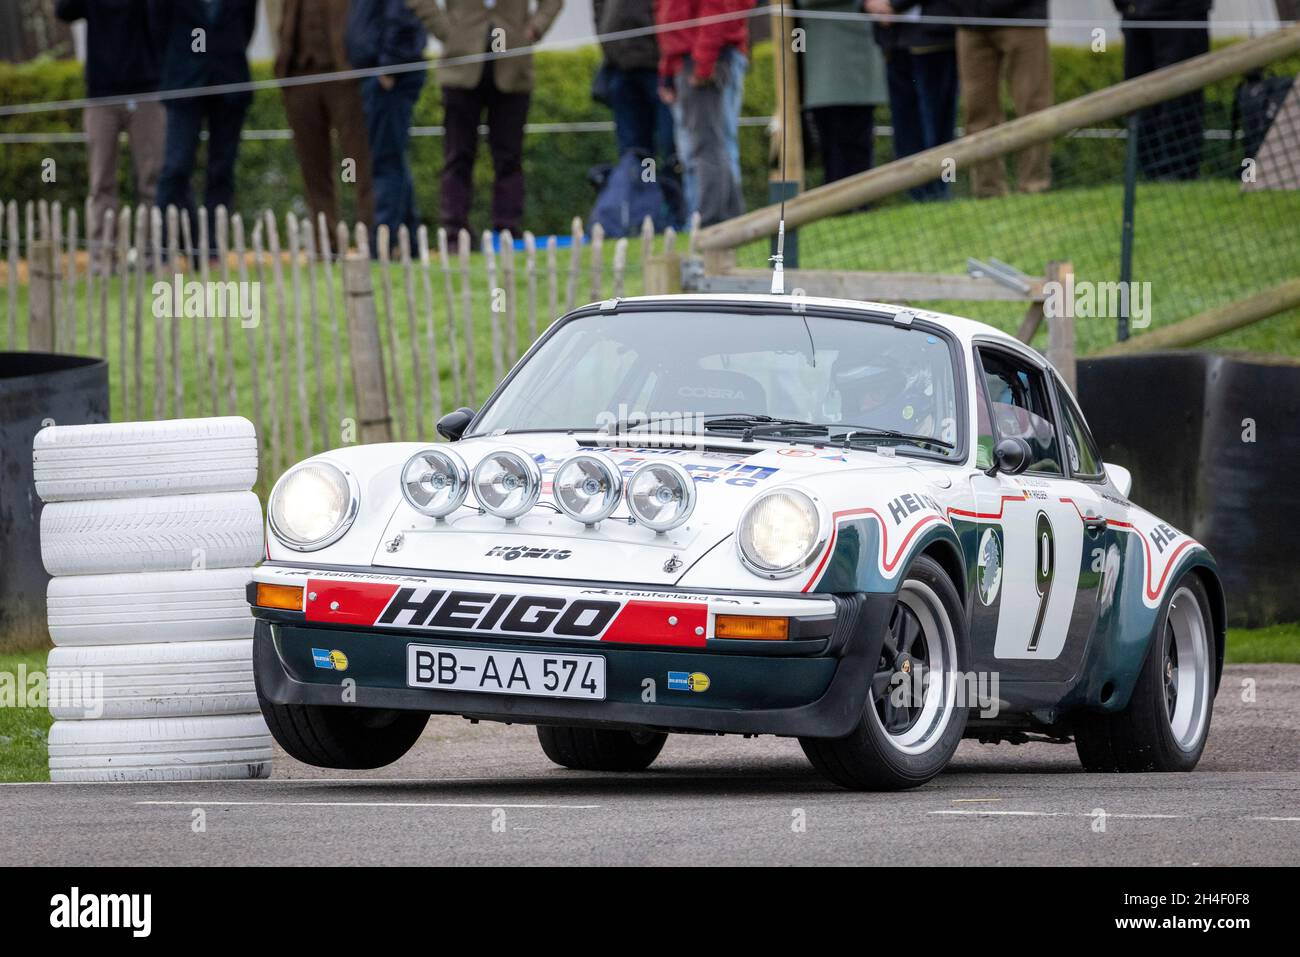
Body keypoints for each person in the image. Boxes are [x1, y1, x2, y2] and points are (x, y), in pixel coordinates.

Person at [407, 0, 563, 242]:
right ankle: (454, 232)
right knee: (457, 155)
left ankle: (508, 229)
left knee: (509, 156)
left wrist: (535, 27)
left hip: (513, 66)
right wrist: (447, 31)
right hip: (461, 66)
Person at [55, 0, 166, 261]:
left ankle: (152, 255)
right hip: (101, 95)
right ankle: (102, 258)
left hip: (147, 90)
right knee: (101, 180)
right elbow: (64, 11)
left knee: (152, 178)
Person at [154, 0, 258, 251]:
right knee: (176, 167)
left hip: (230, 79)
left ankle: (213, 248)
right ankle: (169, 246)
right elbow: (158, 27)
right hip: (183, 81)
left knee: (221, 170)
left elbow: (247, 25)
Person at [270, 0, 376, 227]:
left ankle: (370, 233)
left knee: (357, 161)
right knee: (313, 168)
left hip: (344, 77)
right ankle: (325, 241)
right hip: (299, 75)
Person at [655, 0, 754, 227]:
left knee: (708, 147)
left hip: (706, 58)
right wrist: (668, 70)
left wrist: (703, 64)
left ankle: (712, 224)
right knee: (701, 150)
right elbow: (670, 15)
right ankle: (721, 222)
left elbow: (718, 9)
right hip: (689, 59)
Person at [593, 0, 684, 226]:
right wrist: (608, 40)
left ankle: (676, 215)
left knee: (671, 149)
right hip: (621, 67)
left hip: (661, 66)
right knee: (635, 155)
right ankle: (642, 214)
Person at [348, 0, 428, 245]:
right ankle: (410, 239)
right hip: (379, 72)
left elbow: (401, 17)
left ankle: (383, 240)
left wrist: (389, 67)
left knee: (386, 161)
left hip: (389, 75)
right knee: (391, 156)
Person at [955, 0, 1052, 198]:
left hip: (1023, 17)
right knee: (978, 112)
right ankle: (987, 191)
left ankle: (1034, 187)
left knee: (1032, 107)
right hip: (971, 21)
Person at [866, 0, 958, 200]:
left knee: (938, 127)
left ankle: (940, 192)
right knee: (905, 126)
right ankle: (915, 195)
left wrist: (893, 4)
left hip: (933, 38)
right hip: (894, 40)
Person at [1115, 1, 1212, 180]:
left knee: (1180, 93)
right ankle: (1147, 171)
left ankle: (1177, 172)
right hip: (1136, 14)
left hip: (1182, 14)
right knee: (1138, 94)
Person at [797, 0, 888, 186]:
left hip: (850, 58)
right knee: (830, 143)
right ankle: (839, 205)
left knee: (853, 141)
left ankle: (856, 204)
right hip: (820, 63)